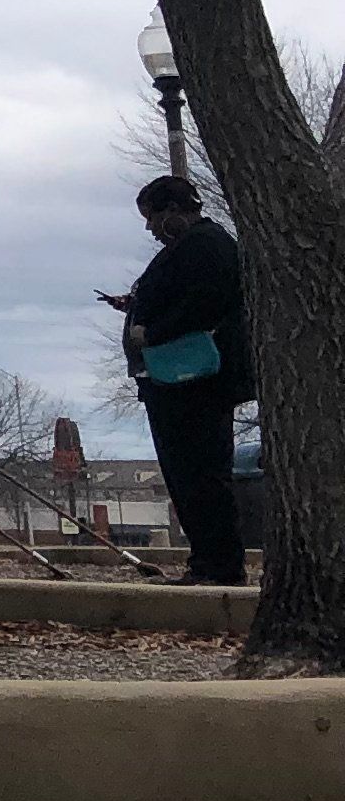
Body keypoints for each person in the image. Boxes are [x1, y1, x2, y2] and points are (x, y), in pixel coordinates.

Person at [103, 174, 257, 588]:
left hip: (195, 383)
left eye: (152, 217)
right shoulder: (196, 247)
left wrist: (150, 330)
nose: (150, 228)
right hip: (179, 381)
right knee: (189, 477)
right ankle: (208, 563)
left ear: (173, 210)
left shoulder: (206, 246)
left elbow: (205, 304)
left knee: (199, 475)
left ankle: (218, 567)